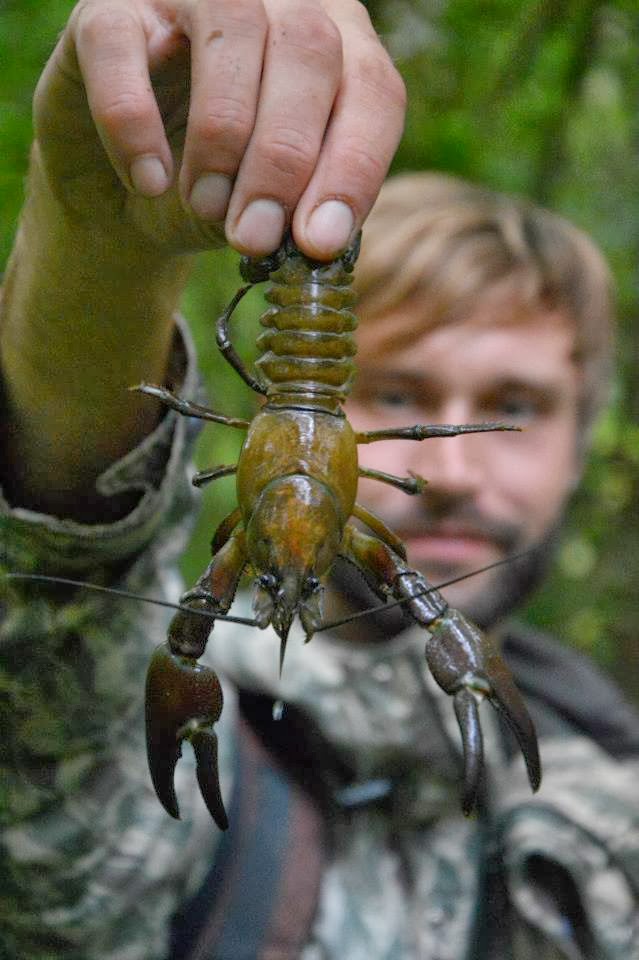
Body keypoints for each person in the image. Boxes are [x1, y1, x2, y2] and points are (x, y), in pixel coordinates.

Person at [0, 3, 637, 959]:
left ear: (582, 439)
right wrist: (97, 248)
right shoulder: (127, 730)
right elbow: (58, 645)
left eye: (516, 405)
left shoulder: (617, 803)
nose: (451, 473)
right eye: (398, 391)